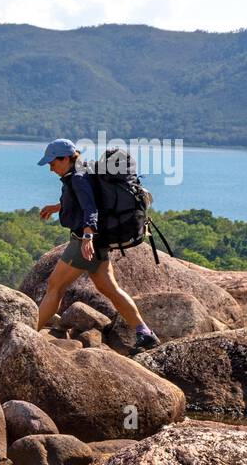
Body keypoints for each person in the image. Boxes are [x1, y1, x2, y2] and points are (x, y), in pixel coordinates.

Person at [35, 138, 160, 352]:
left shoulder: (77, 177)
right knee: (108, 288)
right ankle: (145, 332)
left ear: (65, 159)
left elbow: (90, 208)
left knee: (55, 286)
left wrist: (87, 237)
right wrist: (56, 207)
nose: (51, 168)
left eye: (53, 163)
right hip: (100, 242)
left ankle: (28, 332)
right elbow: (86, 200)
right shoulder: (84, 171)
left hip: (85, 242)